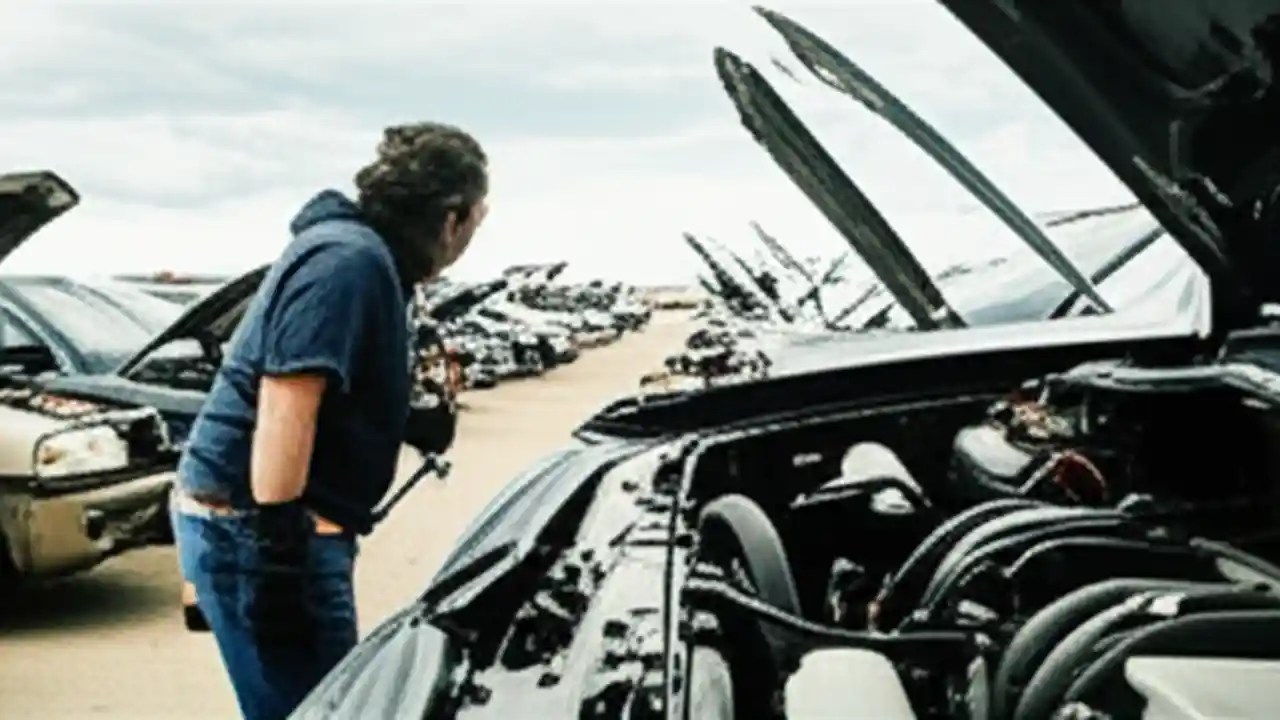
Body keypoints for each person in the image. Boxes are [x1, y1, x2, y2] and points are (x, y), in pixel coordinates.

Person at [169, 122, 489, 720]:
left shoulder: (369, 260)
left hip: (265, 522)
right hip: (260, 528)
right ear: (451, 220)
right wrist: (279, 557)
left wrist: (404, 420)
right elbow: (286, 401)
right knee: (325, 710)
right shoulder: (348, 262)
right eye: (477, 221)